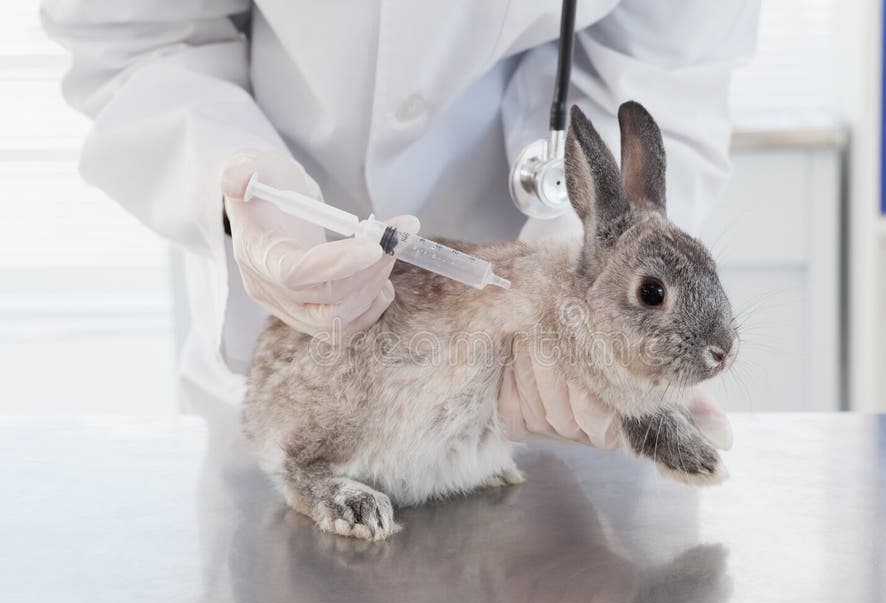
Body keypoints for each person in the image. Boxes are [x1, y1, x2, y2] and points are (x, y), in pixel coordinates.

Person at [42, 1, 757, 448]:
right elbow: (135, 36)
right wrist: (241, 181)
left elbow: (668, 64)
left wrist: (575, 286)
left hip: (551, 393)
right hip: (305, 335)